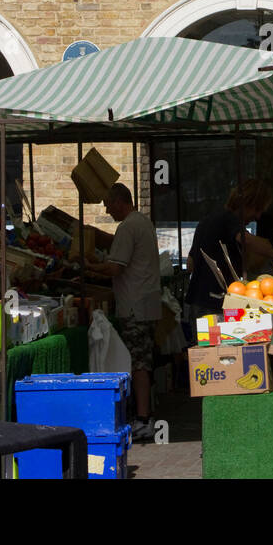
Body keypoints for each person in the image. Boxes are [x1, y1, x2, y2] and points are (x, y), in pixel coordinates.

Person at [88, 183, 162, 442]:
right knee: (144, 362)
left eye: (108, 205)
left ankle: (142, 419)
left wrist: (88, 267)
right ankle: (145, 414)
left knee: (139, 363)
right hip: (146, 303)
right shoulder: (143, 222)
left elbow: (115, 268)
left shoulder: (128, 226)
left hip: (134, 305)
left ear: (119, 202)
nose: (107, 210)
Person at [183, 178, 273, 317]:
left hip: (196, 302)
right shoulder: (229, 219)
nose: (258, 216)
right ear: (247, 203)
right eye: (257, 209)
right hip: (214, 304)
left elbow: (190, 264)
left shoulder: (207, 221)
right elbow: (246, 239)